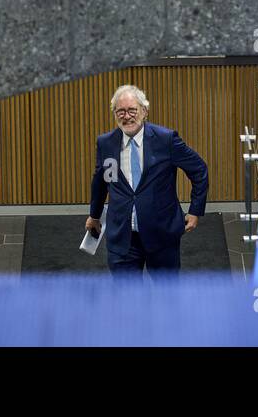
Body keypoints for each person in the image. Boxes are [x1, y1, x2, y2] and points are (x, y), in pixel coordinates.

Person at [86, 84, 208, 275]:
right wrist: (94, 215)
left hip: (162, 235)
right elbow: (101, 182)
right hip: (122, 236)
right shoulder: (105, 143)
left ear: (144, 111)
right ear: (115, 114)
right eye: (121, 111)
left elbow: (199, 170)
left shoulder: (166, 140)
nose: (127, 116)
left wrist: (195, 210)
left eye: (132, 110)